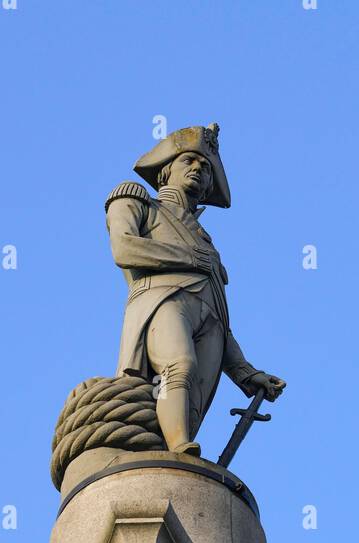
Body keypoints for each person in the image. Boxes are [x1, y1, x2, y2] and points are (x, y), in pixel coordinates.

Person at [106, 123, 285, 457]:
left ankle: (172, 455)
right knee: (179, 366)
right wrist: (189, 258)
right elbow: (124, 249)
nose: (199, 170)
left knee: (194, 400)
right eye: (189, 161)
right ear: (165, 170)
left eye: (206, 168)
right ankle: (177, 446)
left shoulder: (207, 242)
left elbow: (219, 314)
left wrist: (247, 373)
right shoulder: (138, 201)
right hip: (162, 300)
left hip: (210, 324)